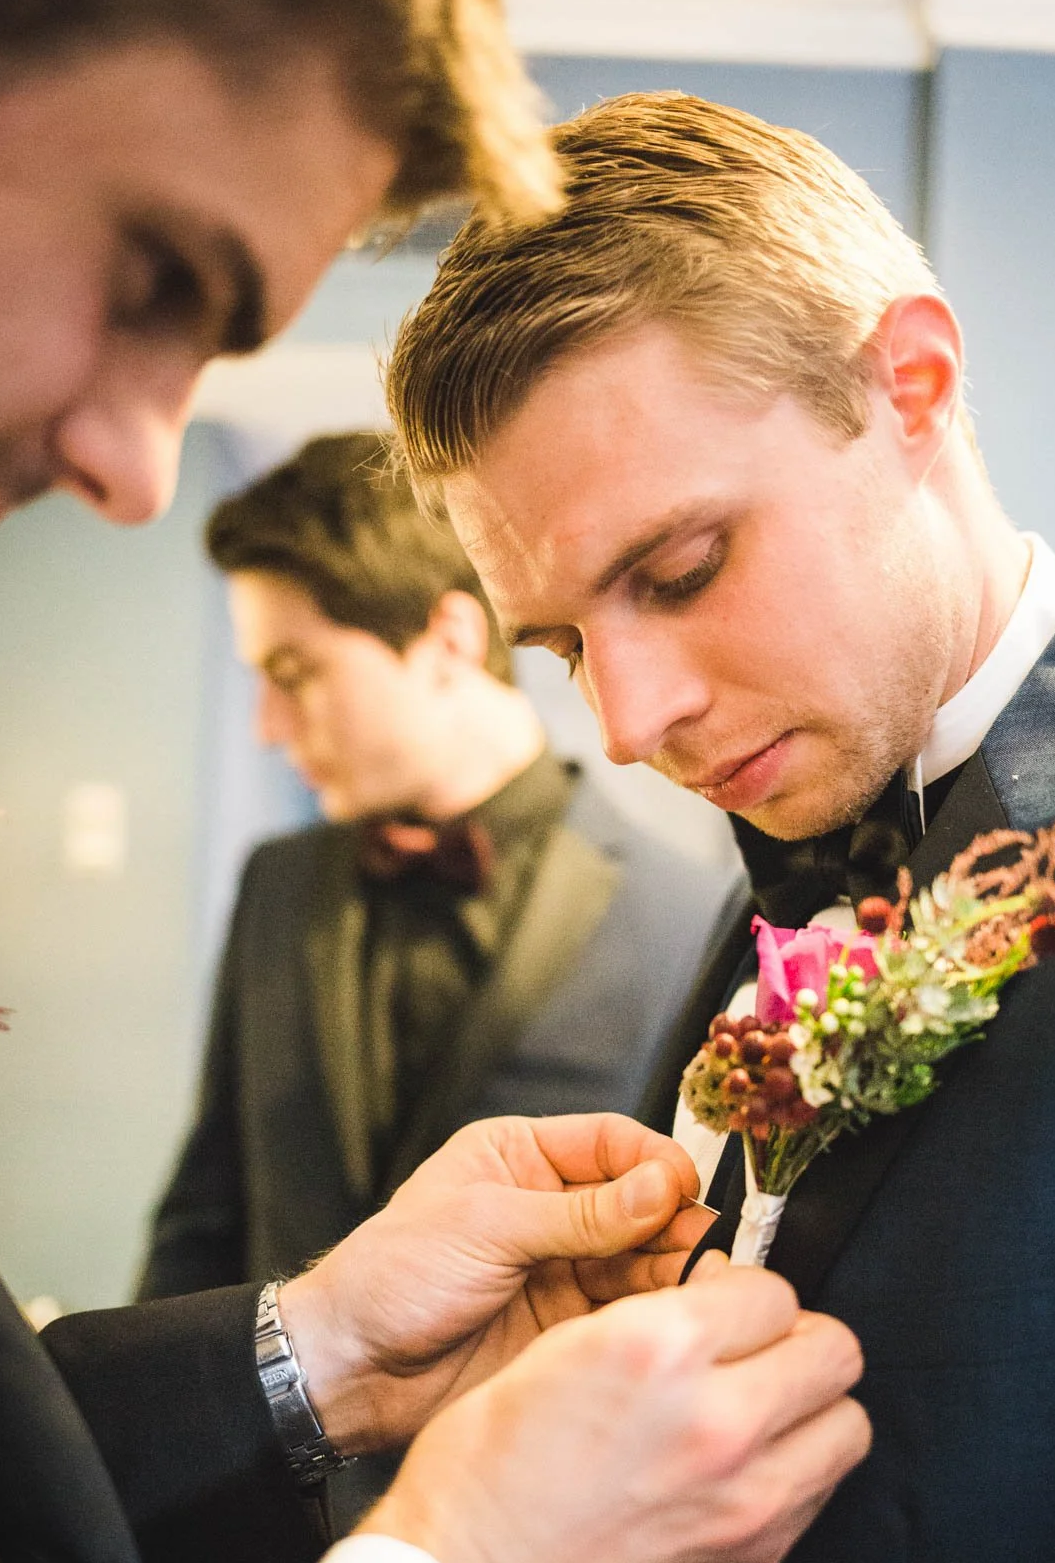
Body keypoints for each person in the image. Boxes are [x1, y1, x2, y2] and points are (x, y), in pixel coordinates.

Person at [0, 12, 877, 1563]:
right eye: (154, 271)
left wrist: (297, 1351)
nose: (144, 474)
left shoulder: (711, 874)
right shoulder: (278, 892)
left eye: (679, 572)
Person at [386, 90, 1055, 1563]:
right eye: (559, 643)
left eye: (676, 569)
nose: (622, 721)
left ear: (905, 388)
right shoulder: (773, 888)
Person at [139, 432, 737, 1301]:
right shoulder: (275, 884)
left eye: (295, 673)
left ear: (447, 639)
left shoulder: (688, 914)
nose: (268, 727)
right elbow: (203, 1218)